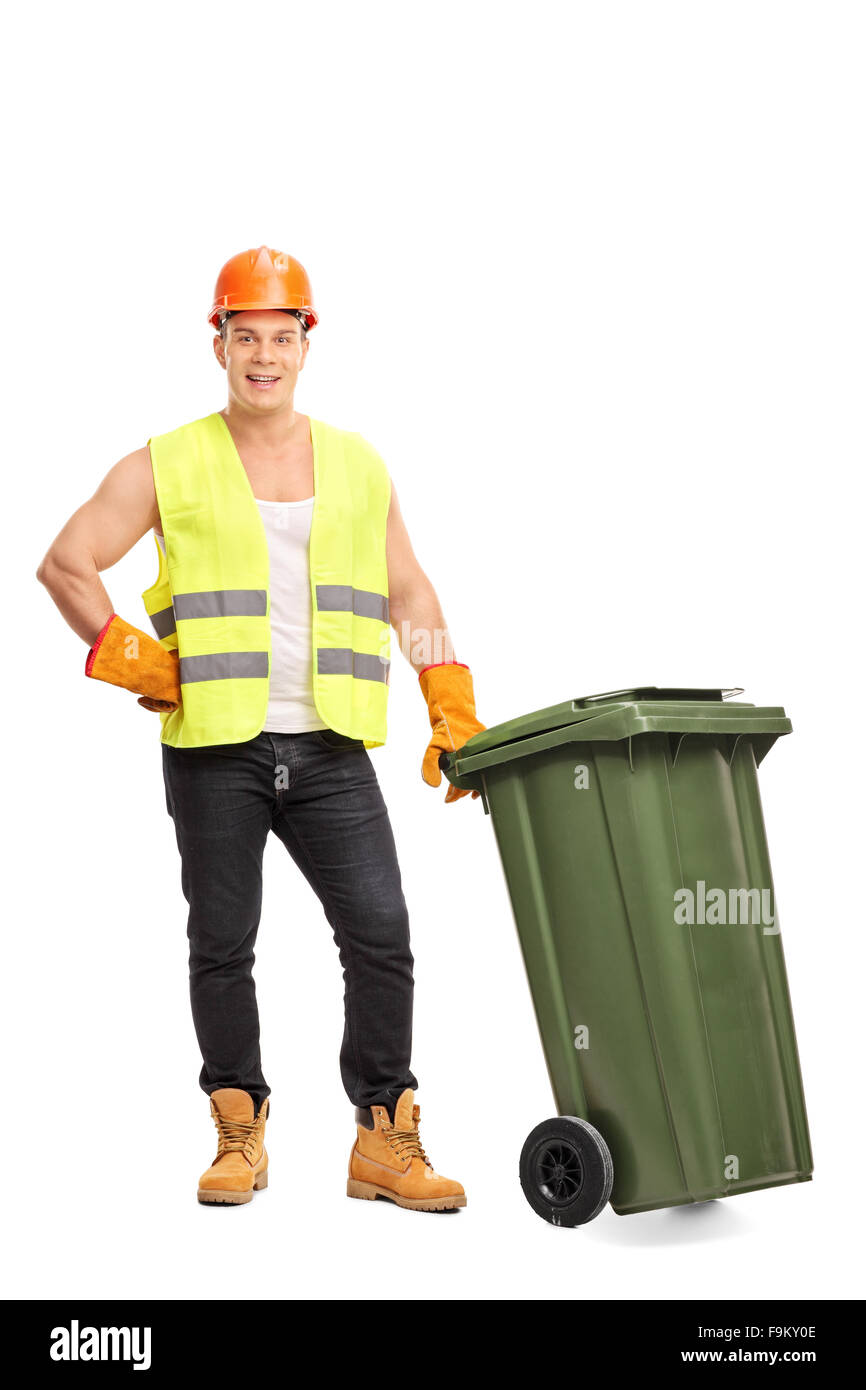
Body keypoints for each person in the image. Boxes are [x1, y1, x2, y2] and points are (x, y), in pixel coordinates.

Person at [36, 245, 486, 1214]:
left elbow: (409, 589)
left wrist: (447, 696)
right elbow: (67, 563)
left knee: (381, 935)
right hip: (216, 749)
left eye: (282, 337)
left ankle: (384, 1136)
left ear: (304, 345)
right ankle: (238, 1129)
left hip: (329, 746)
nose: (265, 356)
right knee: (222, 942)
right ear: (220, 343)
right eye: (247, 337)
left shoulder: (358, 465)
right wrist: (138, 662)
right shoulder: (167, 460)